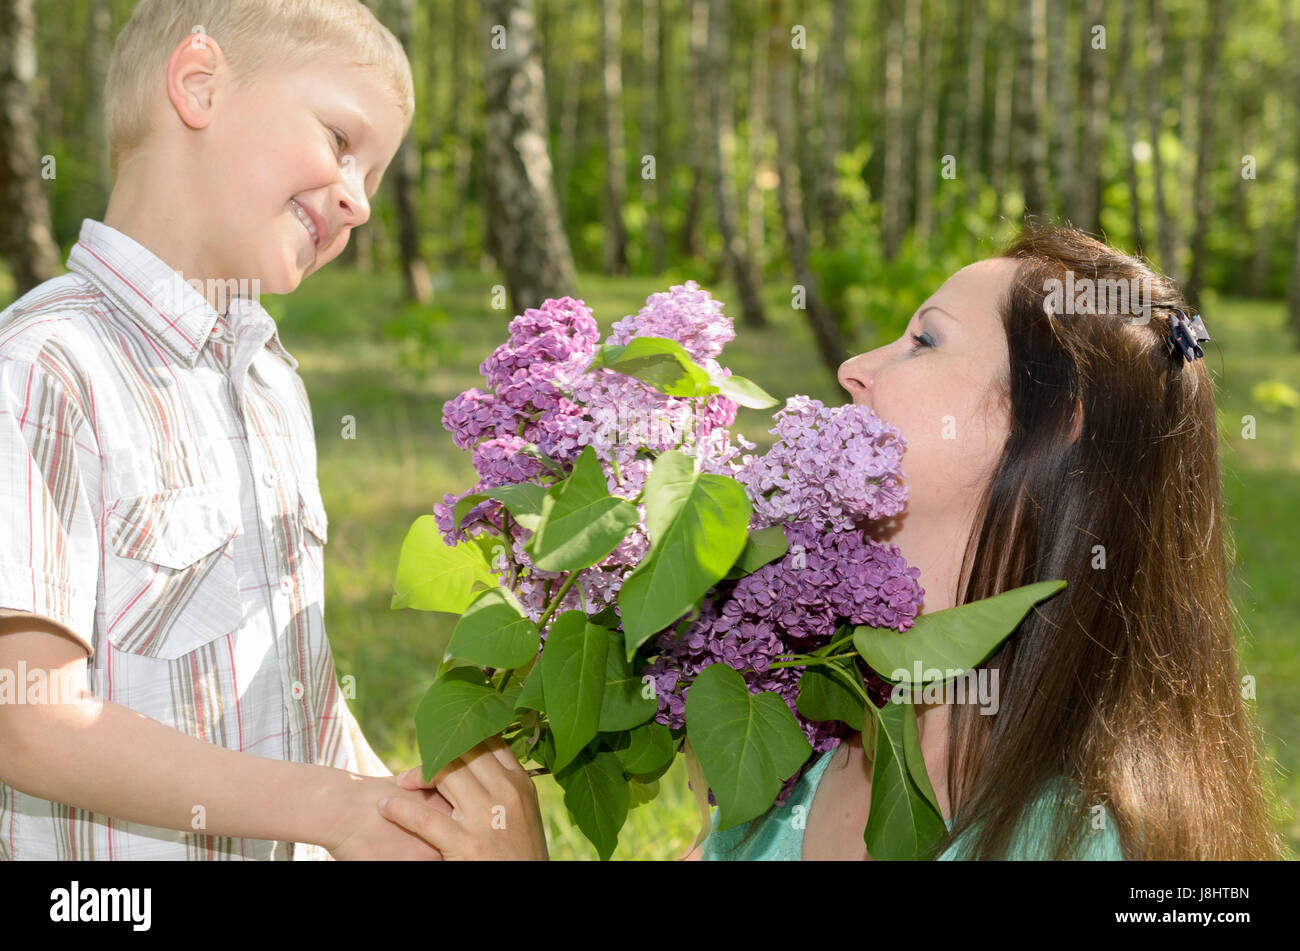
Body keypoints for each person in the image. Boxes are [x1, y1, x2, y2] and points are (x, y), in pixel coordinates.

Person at [379, 225, 1283, 860]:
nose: (856, 364)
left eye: (924, 340)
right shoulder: (810, 734)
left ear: (1057, 424)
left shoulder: (1079, 842)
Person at [0, 0, 450, 860]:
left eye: (375, 181)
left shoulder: (272, 383)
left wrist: (392, 812)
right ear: (199, 85)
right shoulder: (45, 369)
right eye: (341, 142)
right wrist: (330, 807)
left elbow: (300, 695)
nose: (358, 202)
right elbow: (32, 723)